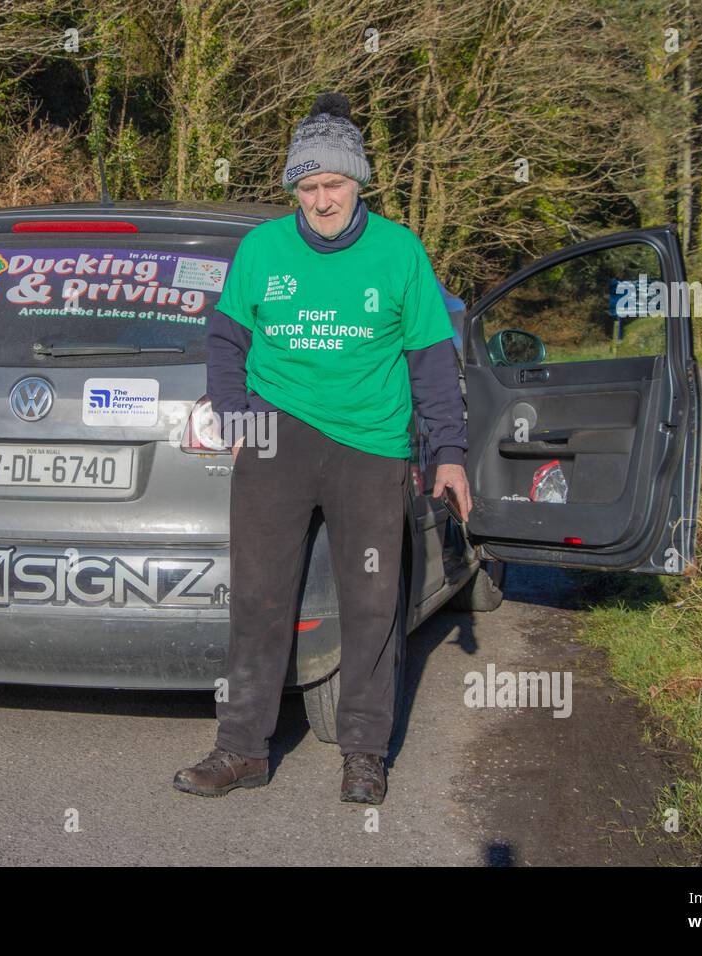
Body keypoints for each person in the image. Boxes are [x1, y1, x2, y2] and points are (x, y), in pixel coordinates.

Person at [172, 92, 471, 805]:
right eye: (307, 188)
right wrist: (240, 425)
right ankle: (242, 748)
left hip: (370, 447)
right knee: (258, 598)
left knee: (370, 603)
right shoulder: (263, 248)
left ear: (359, 182)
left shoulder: (399, 251)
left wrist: (448, 451)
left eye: (333, 185)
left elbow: (432, 359)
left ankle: (364, 752)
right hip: (275, 441)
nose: (321, 200)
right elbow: (225, 341)